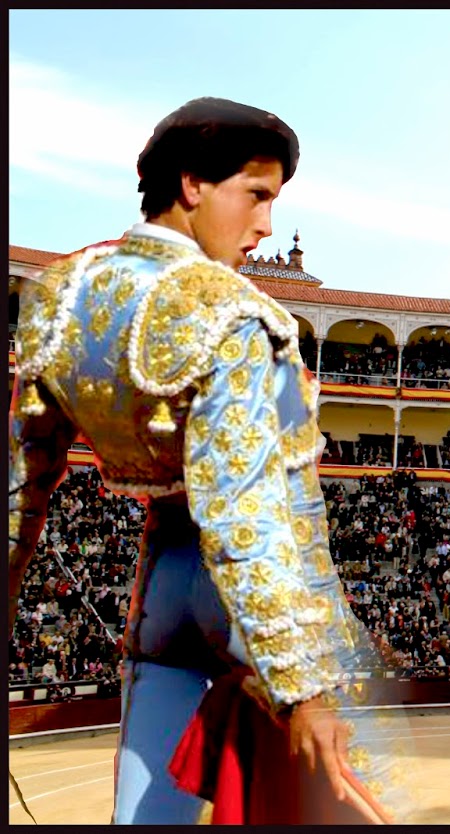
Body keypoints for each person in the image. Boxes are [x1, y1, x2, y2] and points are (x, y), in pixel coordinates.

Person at [8, 97, 408, 823]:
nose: (264, 225)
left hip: (158, 591)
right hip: (255, 604)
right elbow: (242, 514)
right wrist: (306, 690)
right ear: (192, 185)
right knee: (365, 803)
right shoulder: (229, 310)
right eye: (256, 195)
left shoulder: (56, 299)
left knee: (144, 814)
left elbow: (19, 491)